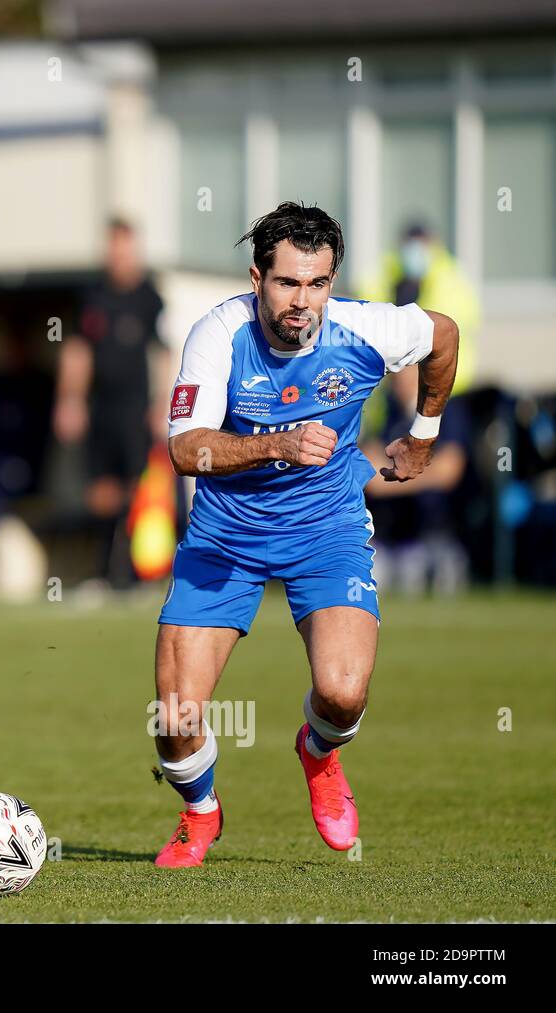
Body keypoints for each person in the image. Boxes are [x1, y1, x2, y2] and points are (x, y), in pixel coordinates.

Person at [152, 202, 458, 867]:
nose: (302, 301)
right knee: (173, 721)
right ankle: (200, 811)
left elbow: (443, 334)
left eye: (317, 283)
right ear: (256, 278)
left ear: (332, 281)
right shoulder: (219, 333)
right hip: (225, 537)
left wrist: (425, 434)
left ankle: (319, 754)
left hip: (327, 529)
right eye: (287, 282)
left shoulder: (365, 328)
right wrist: (277, 445)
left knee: (343, 692)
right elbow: (184, 450)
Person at [54, 219, 168, 585]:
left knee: (138, 488)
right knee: (101, 491)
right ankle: (103, 573)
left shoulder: (149, 296)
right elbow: (77, 351)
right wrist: (70, 401)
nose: (118, 254)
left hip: (136, 409)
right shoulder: (92, 295)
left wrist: (163, 404)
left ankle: (136, 576)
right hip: (100, 406)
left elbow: (161, 352)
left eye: (124, 247)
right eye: (113, 246)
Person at [362, 367, 470, 595]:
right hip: (386, 534)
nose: (402, 376)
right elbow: (371, 474)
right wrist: (425, 471)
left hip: (435, 531)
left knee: (429, 578)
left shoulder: (447, 411)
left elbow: (449, 471)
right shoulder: (385, 409)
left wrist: (398, 473)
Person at [359, 223, 478, 392]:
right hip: (393, 383)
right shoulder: (388, 273)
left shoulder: (449, 279)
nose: (414, 253)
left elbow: (438, 330)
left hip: (447, 384)